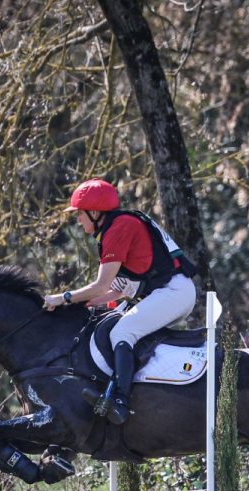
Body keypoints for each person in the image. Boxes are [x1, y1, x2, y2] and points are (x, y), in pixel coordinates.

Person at [42, 178, 197, 425]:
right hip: (166, 292)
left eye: (80, 214)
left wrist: (63, 297)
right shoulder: (116, 228)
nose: (78, 220)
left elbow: (100, 285)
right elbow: (113, 292)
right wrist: (78, 305)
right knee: (109, 321)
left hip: (174, 292)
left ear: (94, 213)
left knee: (122, 331)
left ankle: (120, 401)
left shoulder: (119, 228)